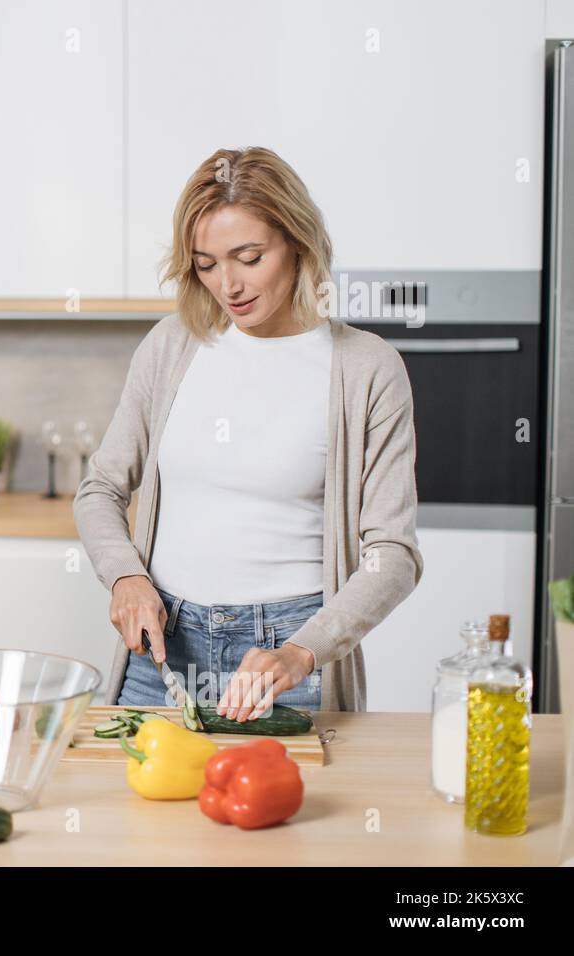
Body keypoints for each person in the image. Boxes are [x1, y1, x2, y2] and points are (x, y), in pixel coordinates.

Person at [75, 146, 423, 721]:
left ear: (298, 244)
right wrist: (125, 576)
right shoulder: (171, 346)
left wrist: (302, 651)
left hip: (286, 663)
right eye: (207, 264)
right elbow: (100, 490)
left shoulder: (366, 368)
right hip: (163, 652)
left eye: (249, 257)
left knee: (282, 811)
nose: (228, 285)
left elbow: (394, 553)